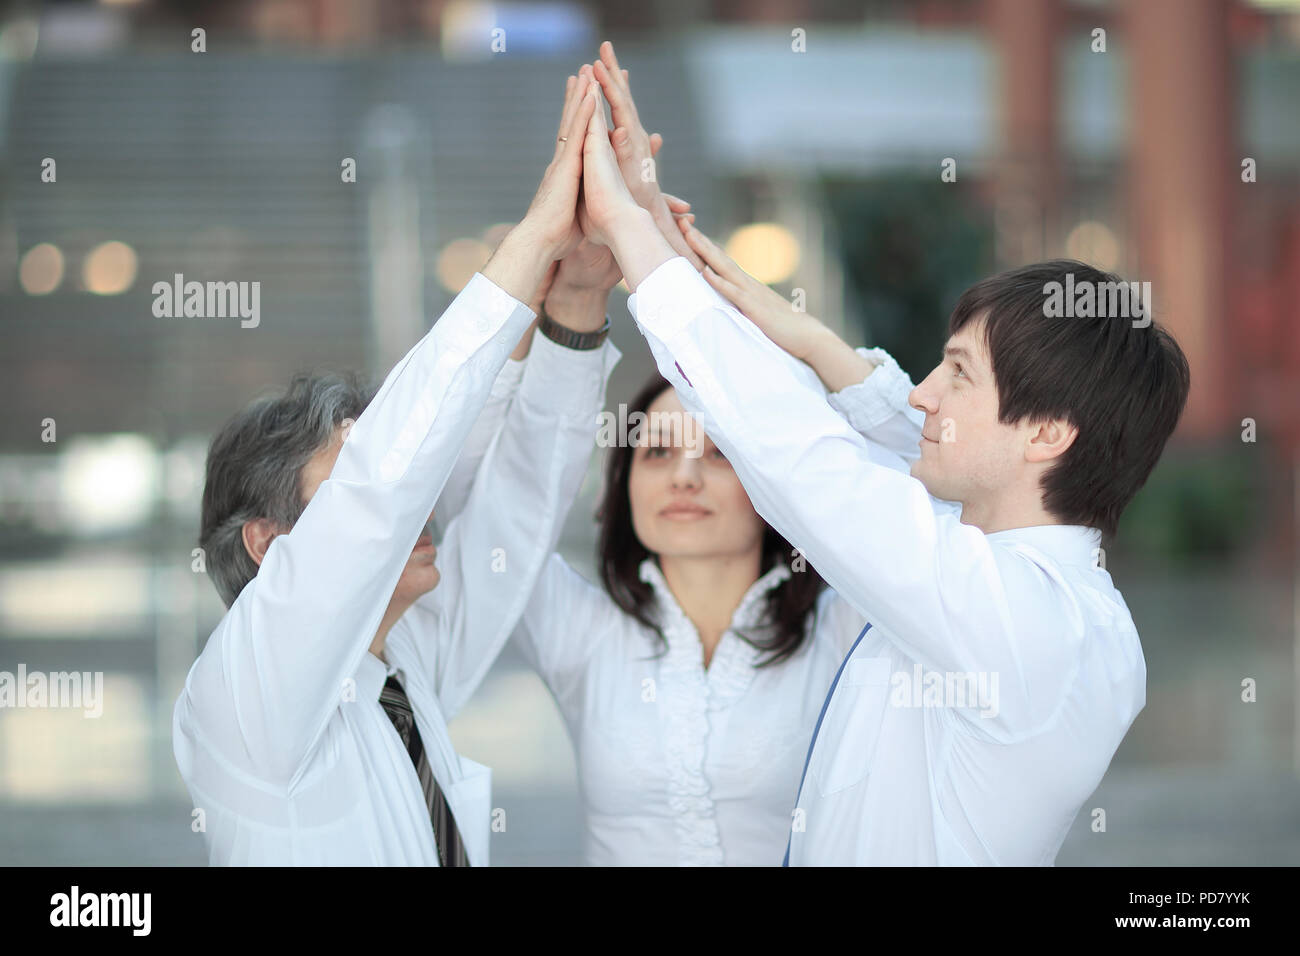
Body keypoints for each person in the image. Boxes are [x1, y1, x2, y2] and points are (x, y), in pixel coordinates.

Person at [576, 62, 1192, 865]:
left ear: (1046, 432)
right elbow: (893, 438)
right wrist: (683, 257)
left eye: (959, 373)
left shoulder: (1028, 622)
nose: (925, 394)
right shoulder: (1015, 576)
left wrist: (627, 232)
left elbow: (811, 466)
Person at [427, 43, 933, 866]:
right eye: (656, 453)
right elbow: (489, 505)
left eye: (722, 456)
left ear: (770, 481)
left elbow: (916, 481)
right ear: (622, 483)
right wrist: (577, 300)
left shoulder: (852, 625)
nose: (686, 473)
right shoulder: (584, 632)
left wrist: (658, 240)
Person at [171, 73, 621, 866]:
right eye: (356, 476)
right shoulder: (249, 688)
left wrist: (578, 296)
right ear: (271, 545)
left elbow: (513, 518)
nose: (416, 507)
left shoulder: (396, 669)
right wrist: (533, 238)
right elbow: (384, 485)